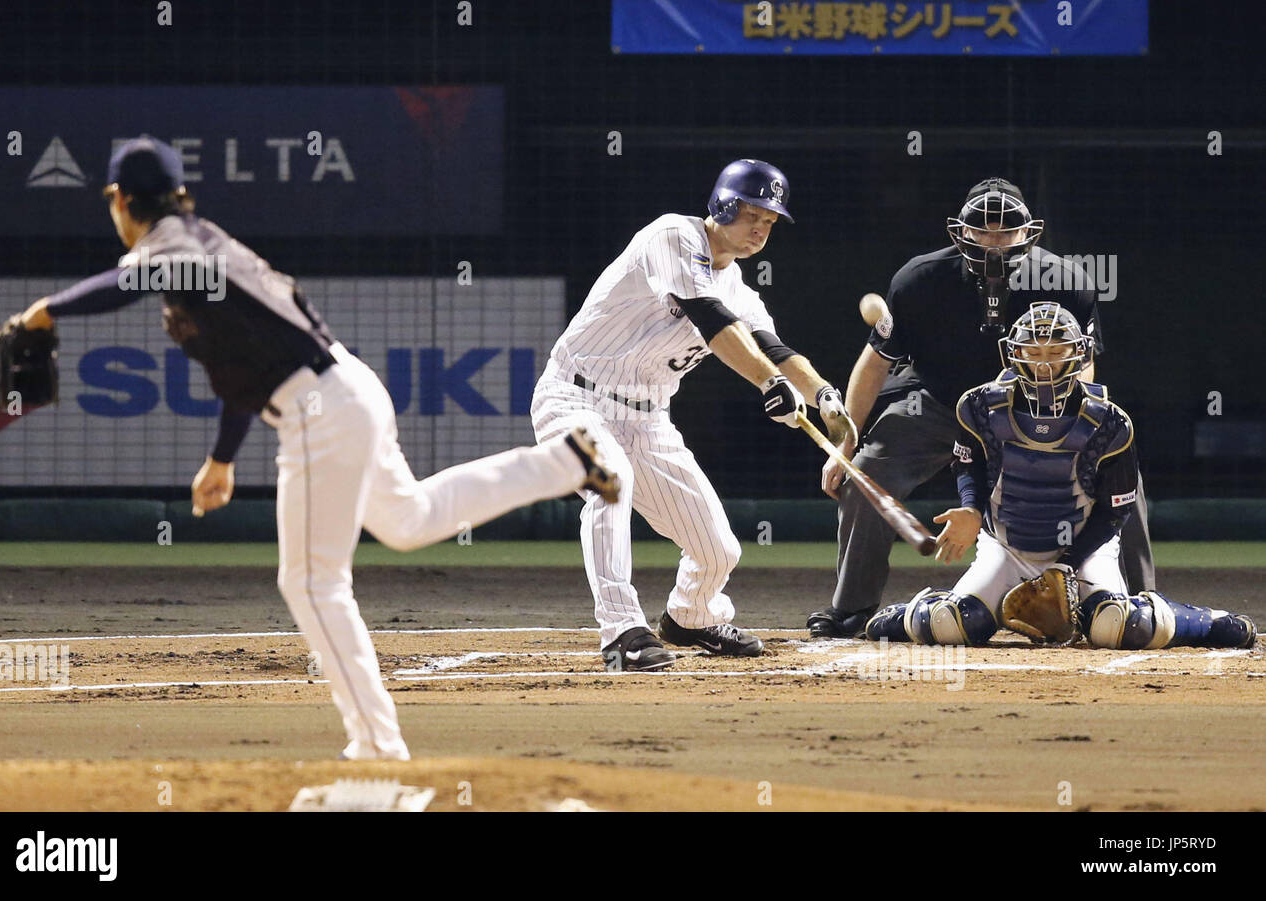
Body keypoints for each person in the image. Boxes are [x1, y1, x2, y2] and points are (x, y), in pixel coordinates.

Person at [14, 135, 621, 760]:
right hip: (340, 392)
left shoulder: (174, 246)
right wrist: (223, 459)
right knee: (408, 520)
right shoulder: (203, 245)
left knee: (310, 582)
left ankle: (377, 745)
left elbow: (134, 280)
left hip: (323, 409)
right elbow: (241, 368)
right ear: (180, 193)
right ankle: (567, 459)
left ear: (119, 199)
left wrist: (47, 312)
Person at [531, 159, 854, 671]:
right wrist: (769, 384)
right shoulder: (673, 234)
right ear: (723, 204)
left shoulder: (740, 290)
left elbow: (773, 347)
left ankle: (690, 617)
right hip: (575, 397)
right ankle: (621, 633)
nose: (760, 228)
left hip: (648, 418)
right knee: (609, 483)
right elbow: (708, 318)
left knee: (718, 549)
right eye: (753, 214)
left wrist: (825, 398)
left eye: (769, 221)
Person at [808, 177, 1156, 640]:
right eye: (984, 229)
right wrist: (845, 440)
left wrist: (1074, 427)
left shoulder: (1067, 280)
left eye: (1007, 229)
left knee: (1122, 481)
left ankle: (1140, 603)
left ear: (1029, 232)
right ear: (961, 232)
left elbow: (1084, 365)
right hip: (935, 404)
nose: (996, 239)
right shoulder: (918, 280)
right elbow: (874, 363)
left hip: (1030, 408)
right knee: (867, 476)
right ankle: (850, 608)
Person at [864, 303, 1255, 650]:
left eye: (1056, 352)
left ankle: (1206, 623)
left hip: (1086, 552)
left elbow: (1114, 513)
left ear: (1079, 353)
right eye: (1032, 353)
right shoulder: (980, 406)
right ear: (1013, 355)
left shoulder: (1110, 422)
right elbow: (968, 465)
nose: (1044, 363)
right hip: (1006, 547)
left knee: (1121, 626)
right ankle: (911, 615)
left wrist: (1065, 565)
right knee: (952, 624)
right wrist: (970, 510)